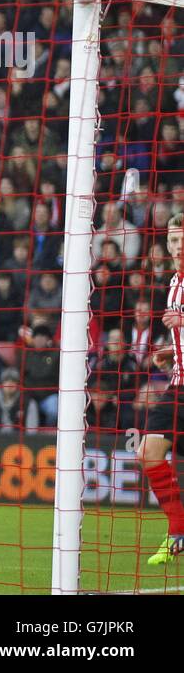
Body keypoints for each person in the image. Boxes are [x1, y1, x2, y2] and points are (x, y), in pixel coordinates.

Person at [141, 214, 184, 566]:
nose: (178, 246)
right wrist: (171, 351)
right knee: (149, 451)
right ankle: (178, 529)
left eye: (183, 240)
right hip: (178, 384)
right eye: (173, 240)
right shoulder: (173, 281)